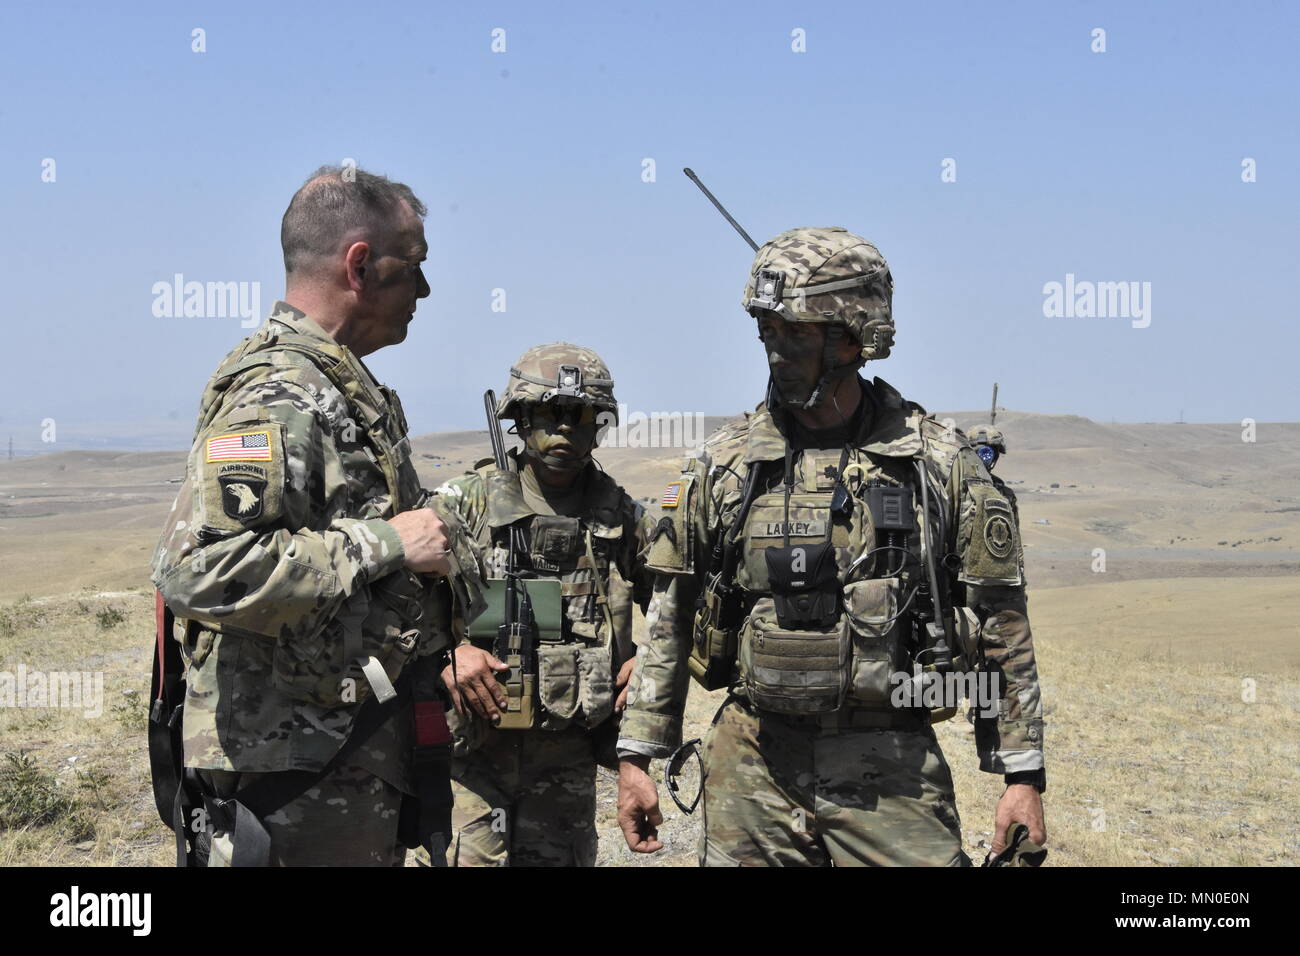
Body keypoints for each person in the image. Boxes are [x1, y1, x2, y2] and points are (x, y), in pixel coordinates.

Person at [616, 227, 1047, 866]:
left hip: (892, 770)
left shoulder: (938, 465)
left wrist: (1021, 777)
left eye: (797, 333)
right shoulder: (727, 464)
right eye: (767, 332)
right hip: (752, 765)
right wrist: (637, 757)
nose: (777, 353)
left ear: (855, 336)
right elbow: (669, 618)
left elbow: (999, 627)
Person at [150, 165, 484, 867]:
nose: (424, 290)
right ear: (359, 264)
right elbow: (199, 571)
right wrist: (384, 543)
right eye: (414, 267)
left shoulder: (337, 386)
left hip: (344, 766)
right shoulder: (280, 392)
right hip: (294, 787)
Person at [433, 343, 652, 866]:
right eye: (549, 415)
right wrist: (448, 654)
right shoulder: (466, 503)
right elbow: (400, 607)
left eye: (580, 419)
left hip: (567, 752)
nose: (564, 433)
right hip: (473, 755)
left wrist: (646, 661)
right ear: (520, 418)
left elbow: (674, 608)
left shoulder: (618, 515)